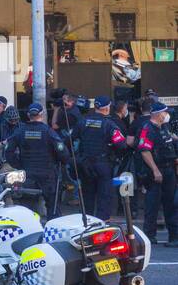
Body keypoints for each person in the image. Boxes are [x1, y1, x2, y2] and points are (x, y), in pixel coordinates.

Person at [5, 102, 68, 218]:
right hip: (47, 174)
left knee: (27, 209)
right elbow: (63, 152)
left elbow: (8, 152)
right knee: (52, 207)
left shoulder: (20, 132)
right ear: (42, 114)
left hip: (27, 173)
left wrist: (20, 165)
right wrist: (60, 162)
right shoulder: (48, 132)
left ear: (28, 115)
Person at [74, 96, 128, 220]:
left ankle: (86, 223)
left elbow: (69, 140)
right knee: (104, 197)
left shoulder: (82, 121)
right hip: (103, 164)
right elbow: (121, 145)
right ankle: (102, 225)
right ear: (107, 107)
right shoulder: (109, 124)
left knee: (88, 197)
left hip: (85, 164)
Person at [136, 101, 177, 246]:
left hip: (169, 170)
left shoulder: (163, 127)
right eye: (165, 113)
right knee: (152, 204)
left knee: (170, 203)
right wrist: (155, 170)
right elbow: (145, 151)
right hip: (156, 171)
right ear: (159, 114)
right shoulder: (147, 128)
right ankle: (149, 236)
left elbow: (169, 142)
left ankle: (174, 237)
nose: (167, 115)